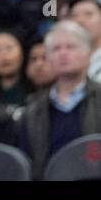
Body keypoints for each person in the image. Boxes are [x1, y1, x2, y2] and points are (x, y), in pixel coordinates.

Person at [18, 21, 101, 179]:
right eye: (56, 49)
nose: (63, 53)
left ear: (88, 54)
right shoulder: (33, 109)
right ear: (49, 58)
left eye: (71, 47)